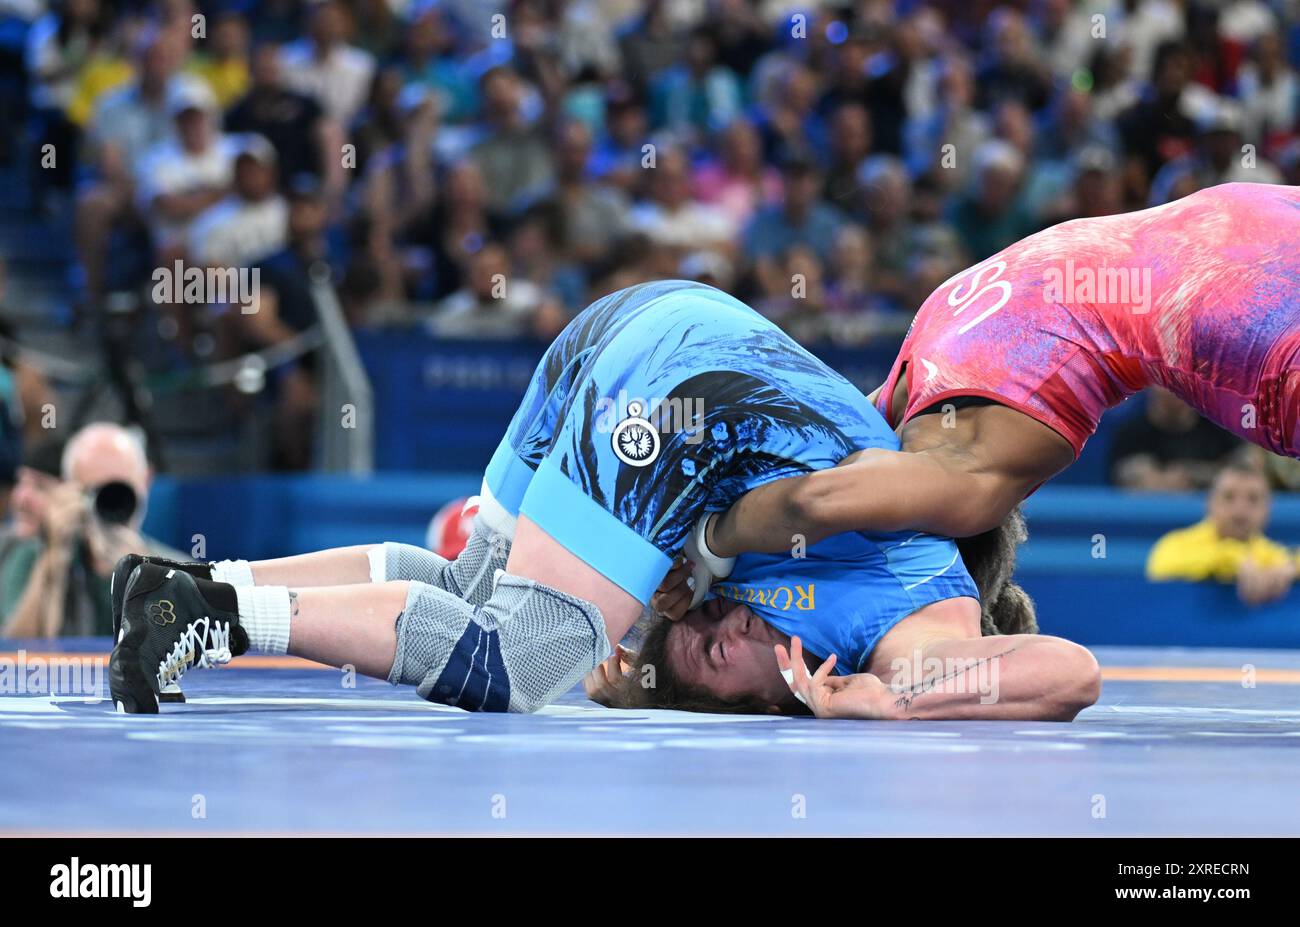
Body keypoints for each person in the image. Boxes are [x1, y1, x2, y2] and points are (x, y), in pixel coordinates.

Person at [109, 281, 1078, 719]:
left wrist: (654, 656)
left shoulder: (833, 588)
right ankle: (208, 616)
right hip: (693, 387)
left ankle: (193, 582)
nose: (715, 645)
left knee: (466, 589)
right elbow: (1069, 672)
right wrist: (893, 699)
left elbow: (685, 641)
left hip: (640, 319)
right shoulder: (917, 622)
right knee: (516, 665)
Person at [686, 183, 1300, 594]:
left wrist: (706, 547)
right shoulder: (896, 397)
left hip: (1235, 297)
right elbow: (806, 489)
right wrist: (715, 540)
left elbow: (811, 504)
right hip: (1248, 217)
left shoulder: (971, 478)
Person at [1, 424, 181, 637]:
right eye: (91, 492)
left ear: (146, 480)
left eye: (119, 491)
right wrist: (54, 559)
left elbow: (187, 656)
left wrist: (147, 578)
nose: (107, 504)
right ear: (67, 490)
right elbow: (18, 655)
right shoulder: (32, 558)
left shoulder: (176, 571)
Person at [1147, 462, 1297, 606]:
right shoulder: (1175, 545)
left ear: (1268, 508)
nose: (1240, 510)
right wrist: (1233, 561)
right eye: (1228, 497)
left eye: (1253, 499)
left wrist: (1291, 569)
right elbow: (1160, 567)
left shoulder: (1272, 556)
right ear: (1210, 502)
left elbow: (1291, 559)